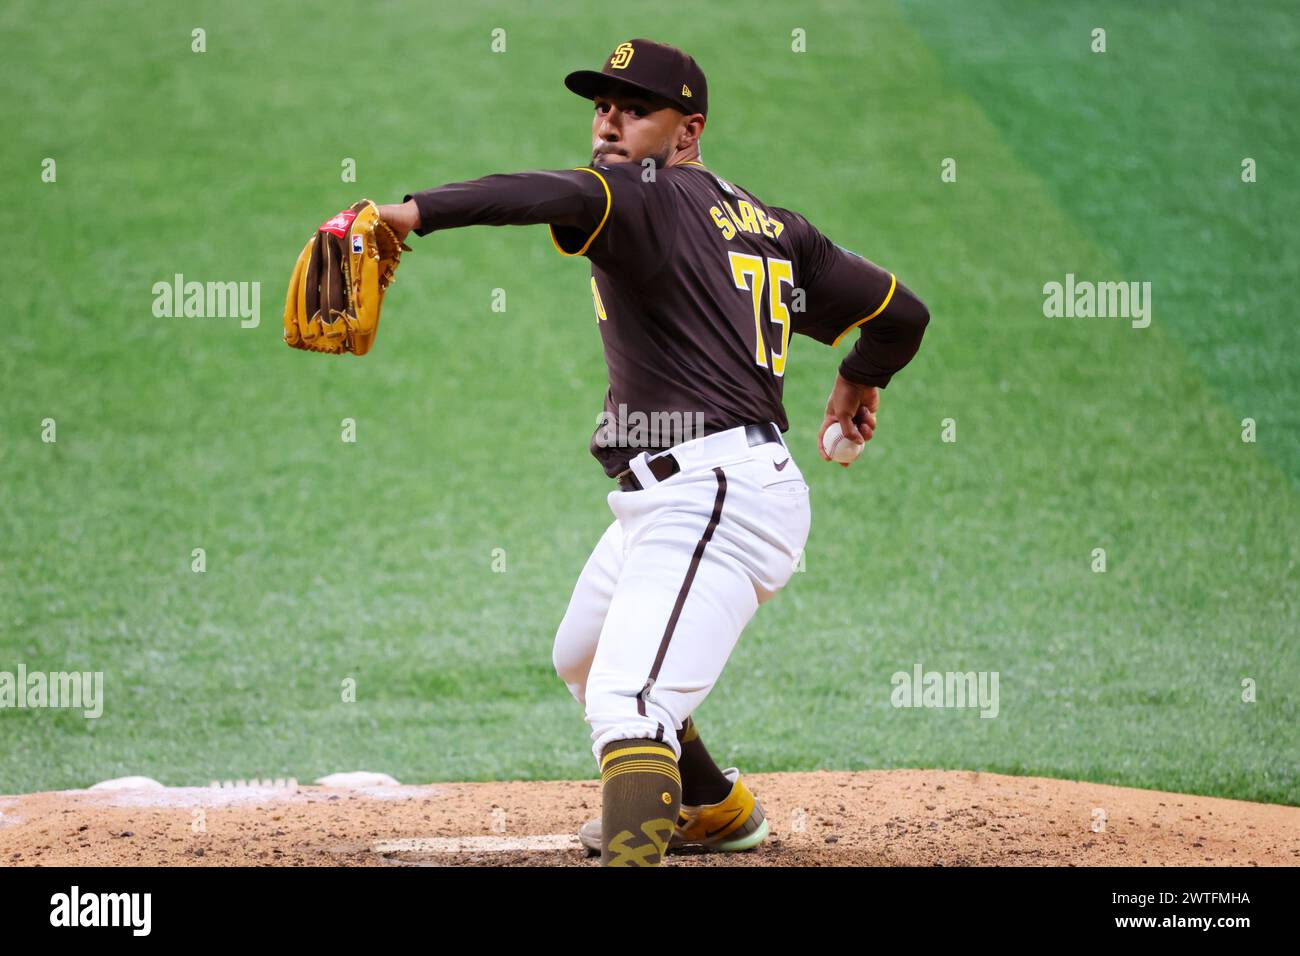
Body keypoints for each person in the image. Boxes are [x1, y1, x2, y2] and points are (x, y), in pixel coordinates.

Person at [378, 38, 929, 866]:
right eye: (603, 106)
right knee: (587, 655)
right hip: (679, 493)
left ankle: (646, 837)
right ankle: (712, 809)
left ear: (687, 132)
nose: (609, 123)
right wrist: (858, 376)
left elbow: (534, 193)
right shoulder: (775, 227)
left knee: (627, 702)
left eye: (636, 109)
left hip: (718, 493)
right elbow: (903, 314)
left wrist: (410, 212)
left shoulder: (640, 194)